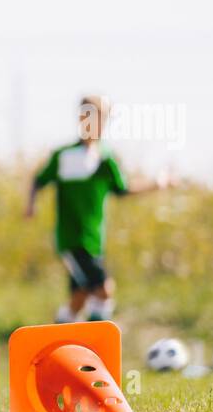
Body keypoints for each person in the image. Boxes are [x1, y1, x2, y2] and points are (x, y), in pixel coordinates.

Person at [26, 95, 172, 323]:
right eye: (93, 117)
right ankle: (97, 339)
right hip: (72, 238)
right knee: (104, 289)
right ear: (82, 118)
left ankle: (59, 331)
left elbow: (122, 189)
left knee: (80, 295)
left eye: (103, 119)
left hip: (94, 239)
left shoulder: (105, 158)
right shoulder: (64, 156)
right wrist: (30, 205)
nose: (98, 124)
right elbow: (38, 180)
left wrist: (157, 184)